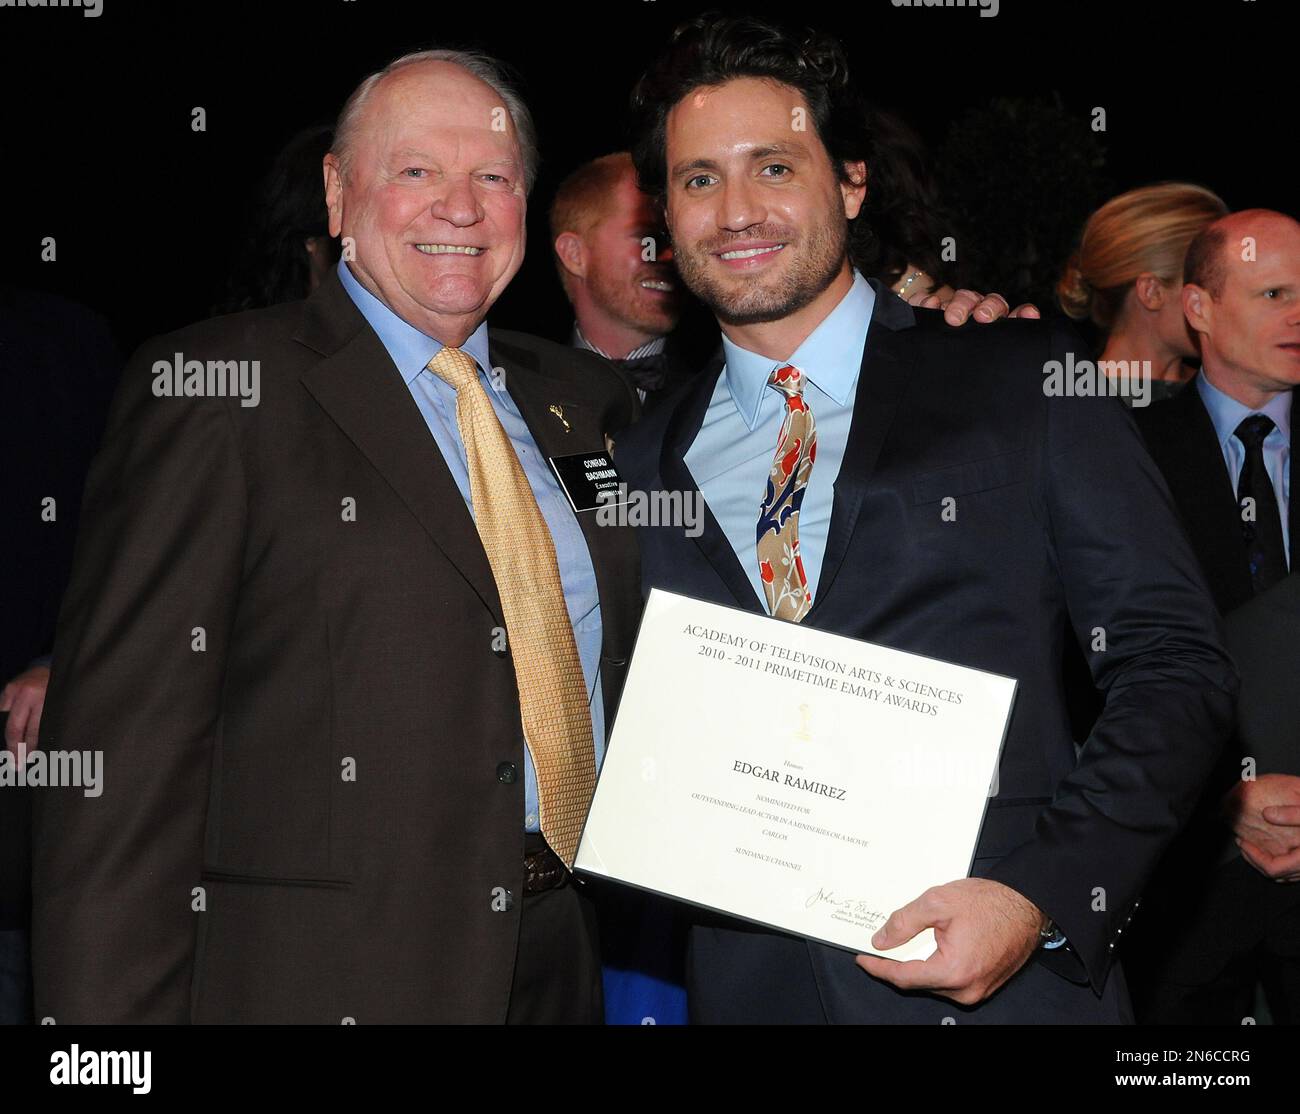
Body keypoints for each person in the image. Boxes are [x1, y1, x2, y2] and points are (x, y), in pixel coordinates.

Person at [616, 14, 1236, 1023]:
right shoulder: (642, 453)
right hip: (752, 994)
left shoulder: (1022, 377)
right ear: (665, 212)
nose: (735, 210)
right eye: (697, 179)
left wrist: (1039, 895)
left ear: (850, 181)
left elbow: (1175, 664)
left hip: (1009, 993)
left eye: (773, 167)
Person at [30, 49, 643, 1024]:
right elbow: (123, 767)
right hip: (317, 977)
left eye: (492, 176)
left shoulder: (584, 401)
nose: (460, 206)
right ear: (336, 193)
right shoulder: (219, 390)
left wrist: (924, 342)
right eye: (415, 171)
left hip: (559, 957)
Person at [1128, 209, 1300, 1024]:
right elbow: (1083, 663)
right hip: (1181, 893)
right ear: (1197, 308)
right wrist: (1218, 801)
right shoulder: (1121, 451)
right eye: (1275, 293)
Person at [1058, 183, 1228, 406]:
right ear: (1152, 292)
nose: (1231, 302)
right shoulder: (1073, 405)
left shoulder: (1227, 395)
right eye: (1213, 284)